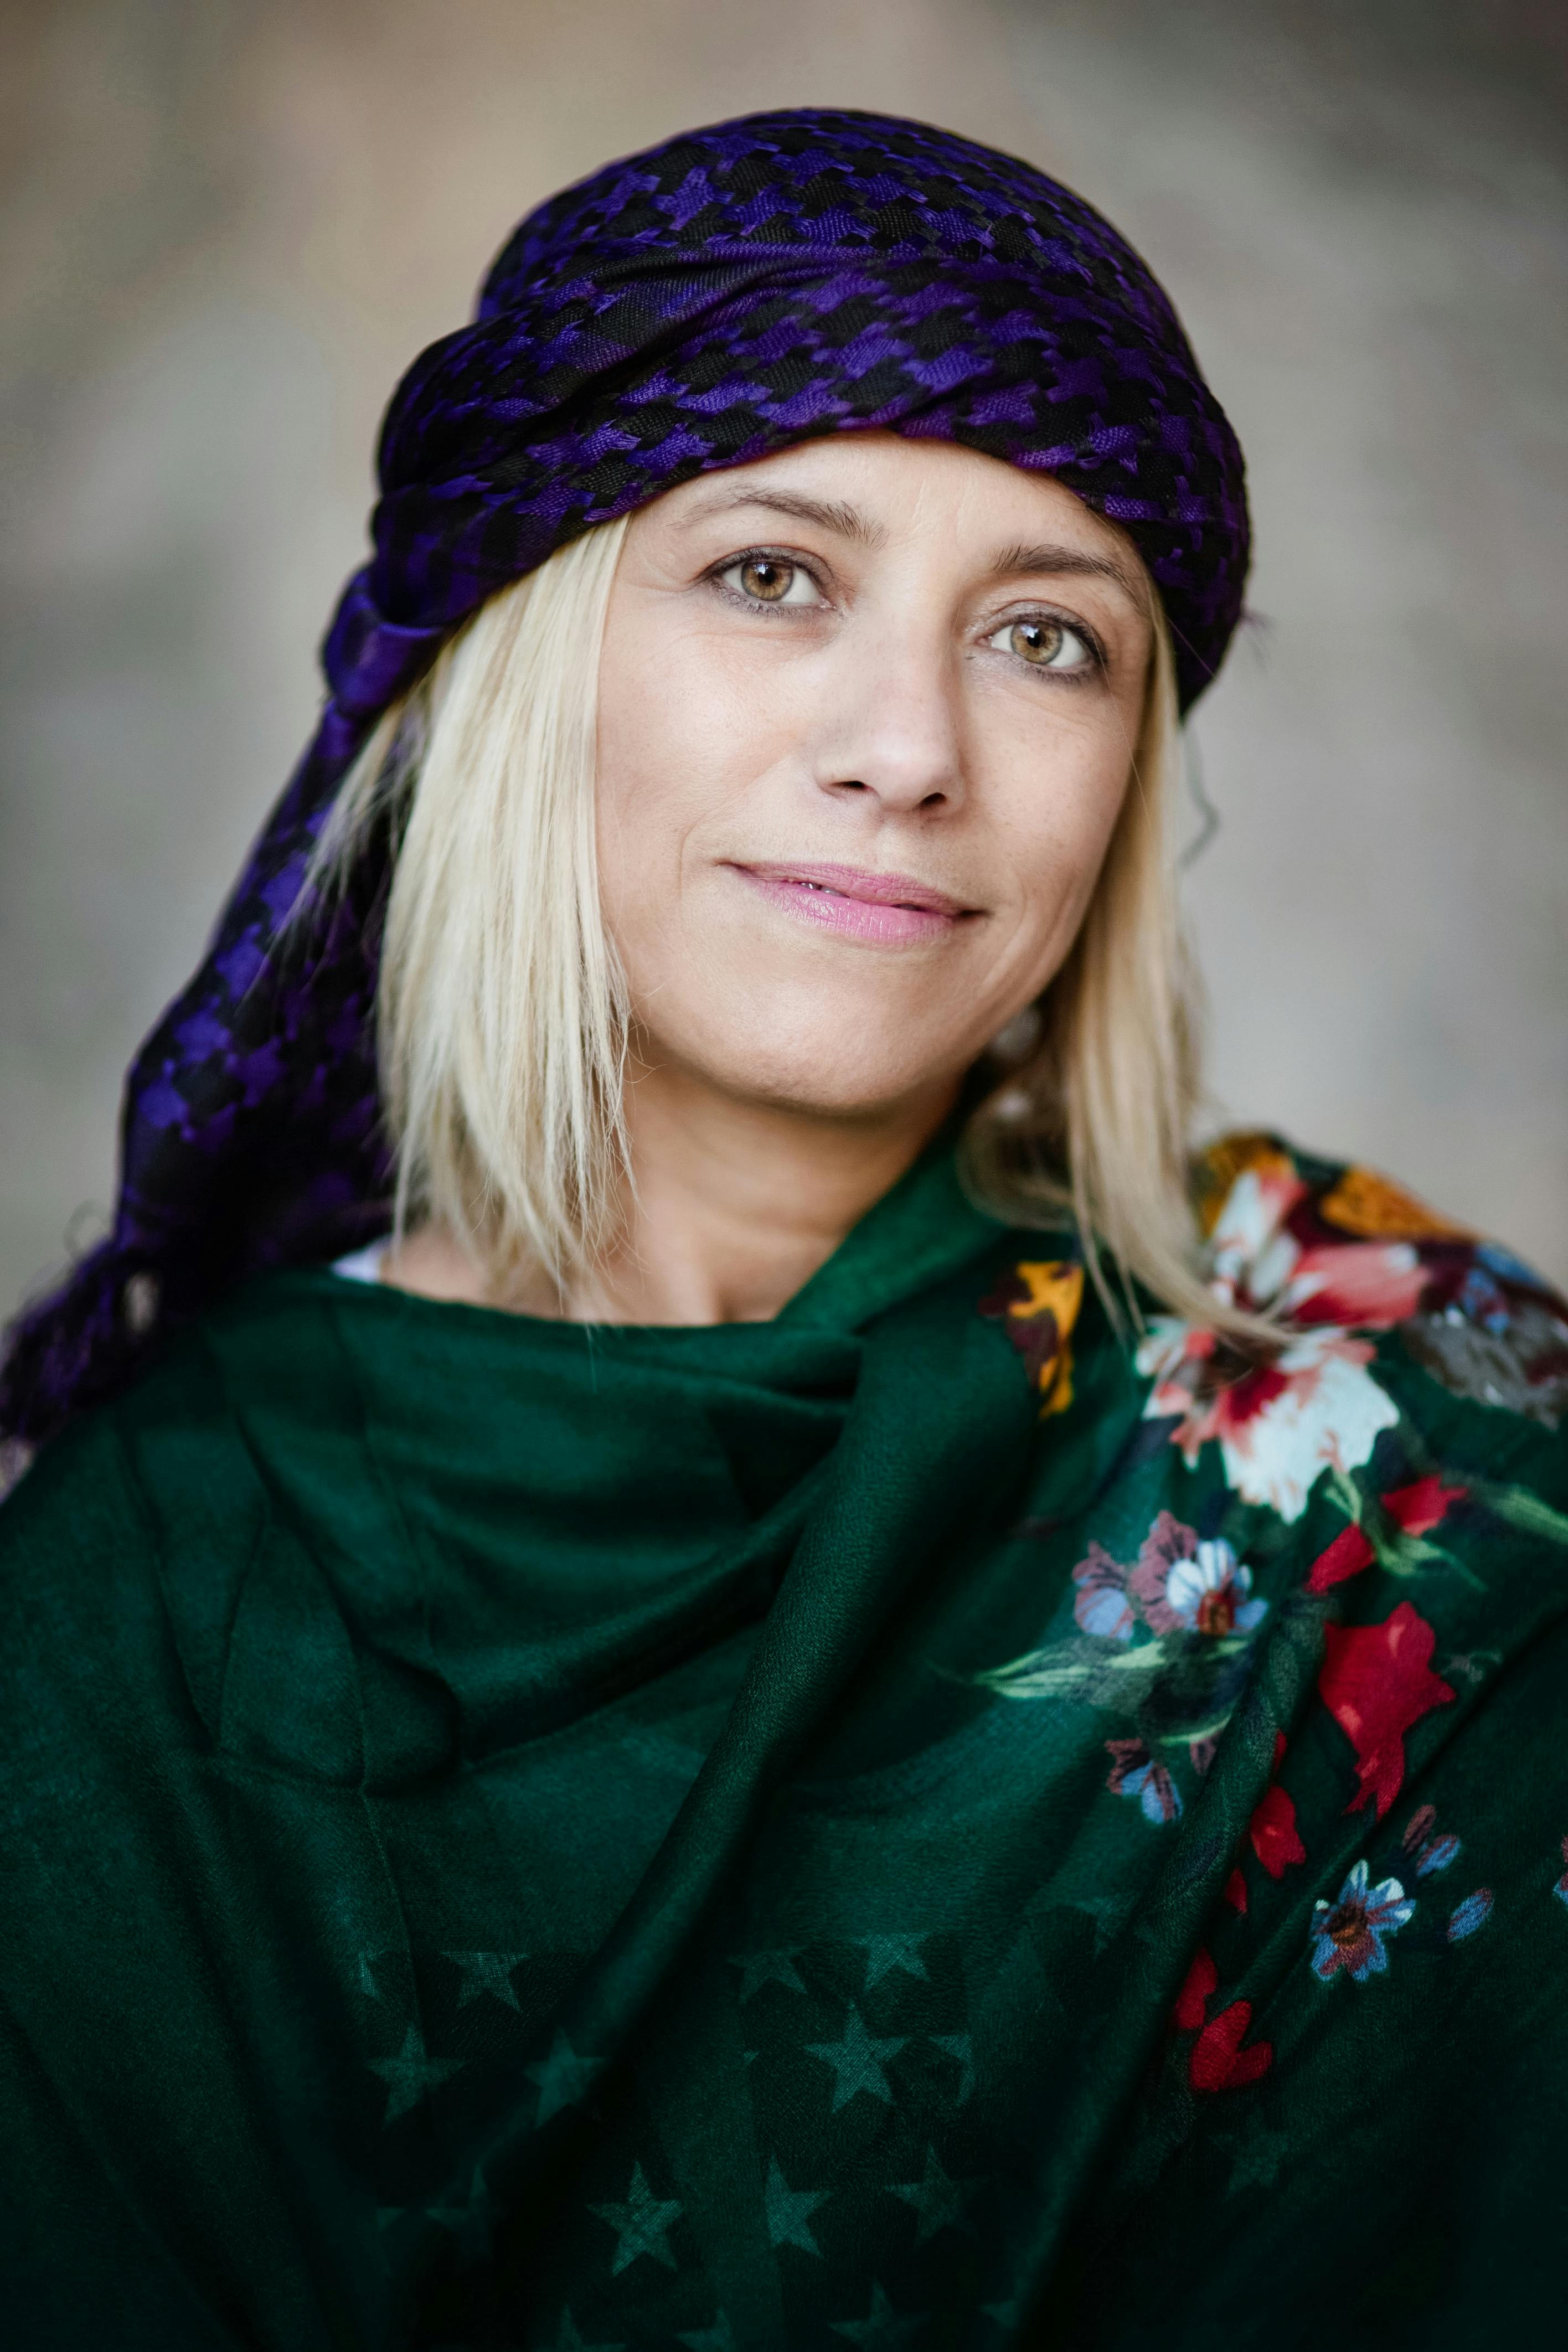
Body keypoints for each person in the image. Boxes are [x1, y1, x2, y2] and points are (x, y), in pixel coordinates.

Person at [0, 108, 1563, 2352]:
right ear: (533, 661)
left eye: (1047, 638)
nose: (911, 748)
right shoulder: (149, 1596)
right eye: (771, 575)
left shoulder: (1392, 1441)